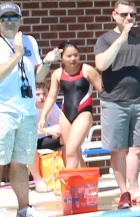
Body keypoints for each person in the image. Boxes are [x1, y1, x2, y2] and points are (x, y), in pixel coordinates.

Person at [92, 2, 140, 207]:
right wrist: (121, 39)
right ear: (114, 15)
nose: (129, 18)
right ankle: (125, 193)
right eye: (124, 14)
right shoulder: (105, 39)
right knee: (118, 149)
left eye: (133, 14)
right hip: (114, 102)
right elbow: (101, 64)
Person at [0, 3, 42, 217]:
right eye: (4, 17)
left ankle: (23, 209)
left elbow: (38, 74)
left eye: (13, 17)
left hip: (27, 111)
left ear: (20, 20)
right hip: (3, 110)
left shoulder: (30, 42)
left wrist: (47, 64)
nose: (9, 21)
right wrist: (16, 54)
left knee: (20, 162)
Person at [40, 43, 98, 171]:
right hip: (66, 115)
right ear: (61, 58)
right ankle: (85, 184)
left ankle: (69, 186)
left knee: (71, 152)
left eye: (76, 55)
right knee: (74, 152)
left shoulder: (86, 70)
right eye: (69, 56)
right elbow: (51, 97)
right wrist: (43, 116)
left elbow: (103, 90)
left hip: (84, 113)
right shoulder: (58, 74)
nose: (73, 59)